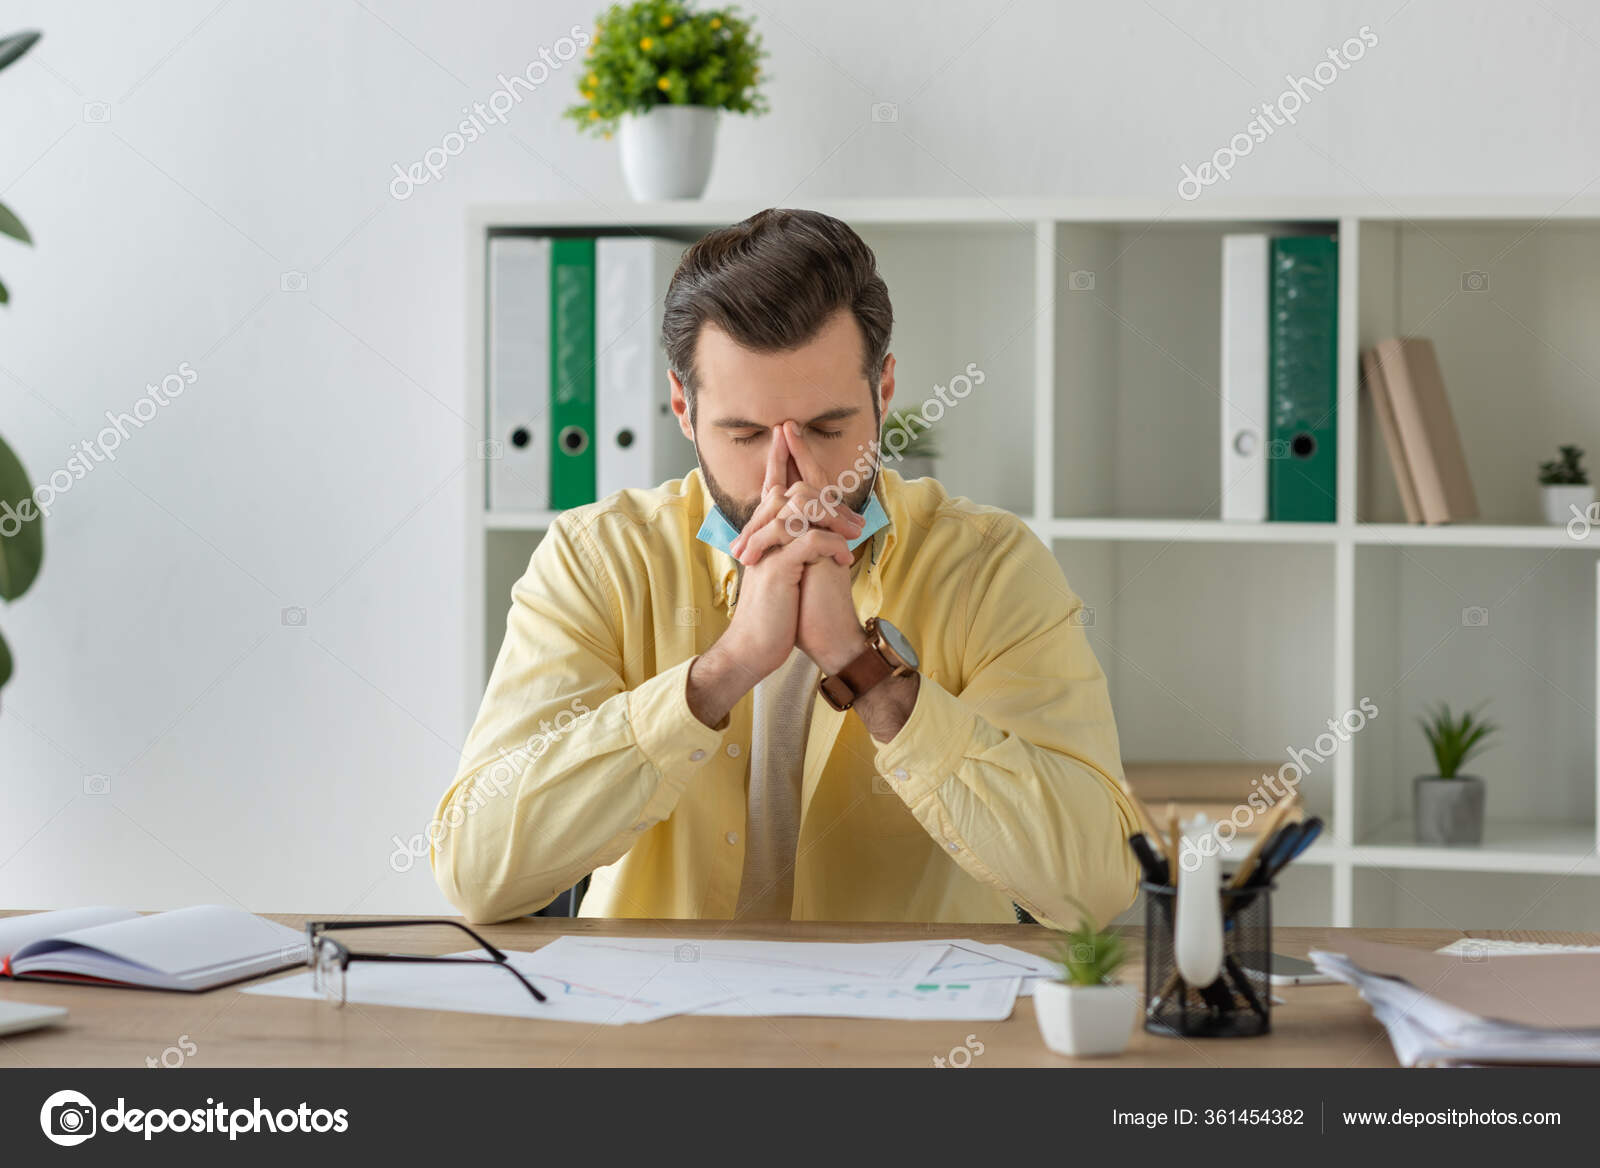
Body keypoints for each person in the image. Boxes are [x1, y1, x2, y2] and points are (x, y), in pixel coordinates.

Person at [431, 207, 1139, 927]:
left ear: (883, 393)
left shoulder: (990, 568)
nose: (790, 478)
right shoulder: (598, 559)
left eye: (828, 429)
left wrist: (864, 670)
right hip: (659, 998)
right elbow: (477, 875)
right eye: (744, 434)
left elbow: (1094, 889)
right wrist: (726, 668)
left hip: (907, 999)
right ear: (682, 407)